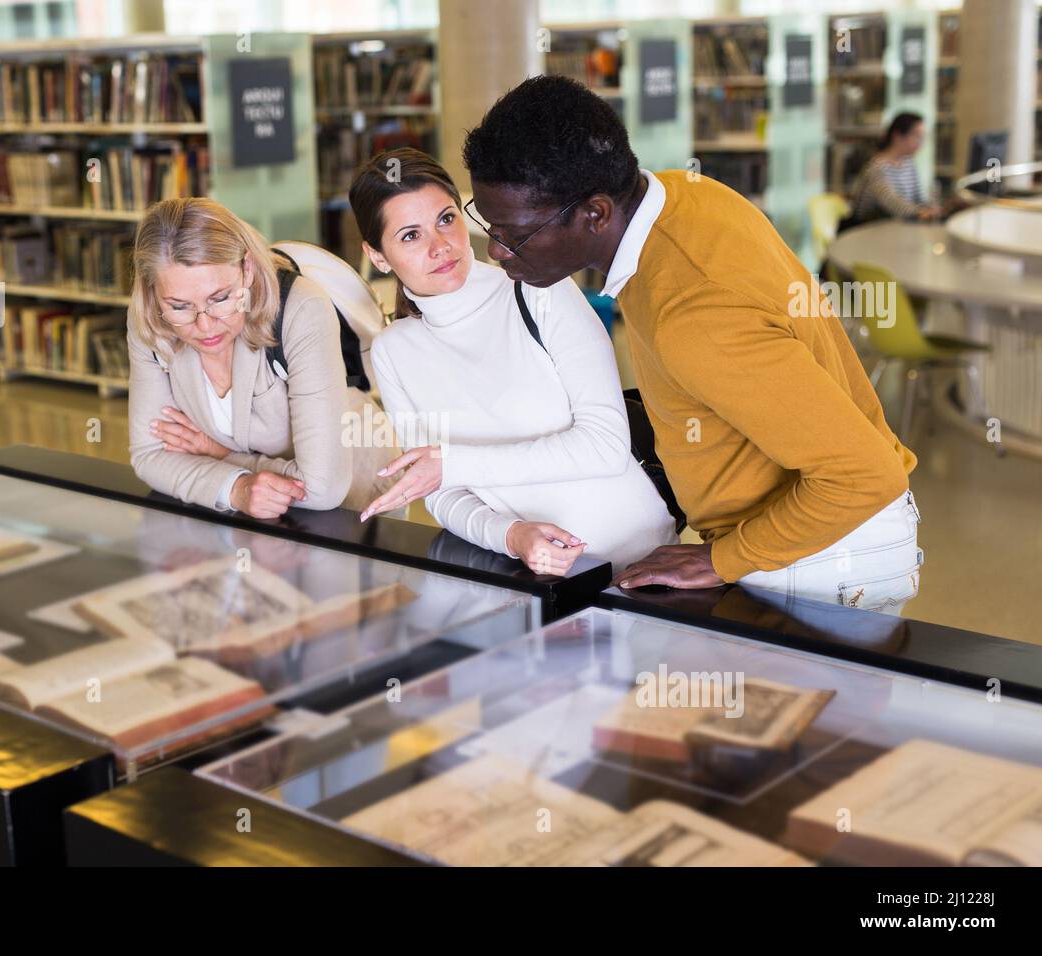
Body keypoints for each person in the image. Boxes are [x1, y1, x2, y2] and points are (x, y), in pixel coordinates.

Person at [460, 76, 922, 612]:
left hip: (820, 557)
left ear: (595, 213)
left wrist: (720, 560)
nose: (496, 251)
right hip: (810, 540)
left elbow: (865, 476)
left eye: (511, 232)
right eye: (487, 224)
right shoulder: (683, 195)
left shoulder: (695, 313)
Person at [350, 147, 677, 575]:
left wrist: (452, 462)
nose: (440, 246)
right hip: (534, 576)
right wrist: (511, 534)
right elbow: (442, 492)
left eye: (446, 219)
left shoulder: (538, 289)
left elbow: (606, 446)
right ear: (376, 255)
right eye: (410, 235)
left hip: (641, 565)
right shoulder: (394, 350)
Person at [127, 197, 394, 519]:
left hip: (355, 491)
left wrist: (220, 457)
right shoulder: (149, 317)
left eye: (221, 298)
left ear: (248, 269)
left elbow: (323, 488)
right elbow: (148, 456)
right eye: (180, 306)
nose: (204, 324)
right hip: (248, 506)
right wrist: (237, 489)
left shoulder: (301, 308)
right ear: (152, 292)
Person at [845, 112, 942, 226]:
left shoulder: (908, 164)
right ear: (898, 136)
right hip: (868, 230)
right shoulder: (876, 168)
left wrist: (934, 209)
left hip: (895, 227)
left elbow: (918, 199)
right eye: (917, 136)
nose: (921, 142)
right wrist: (921, 212)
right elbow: (892, 203)